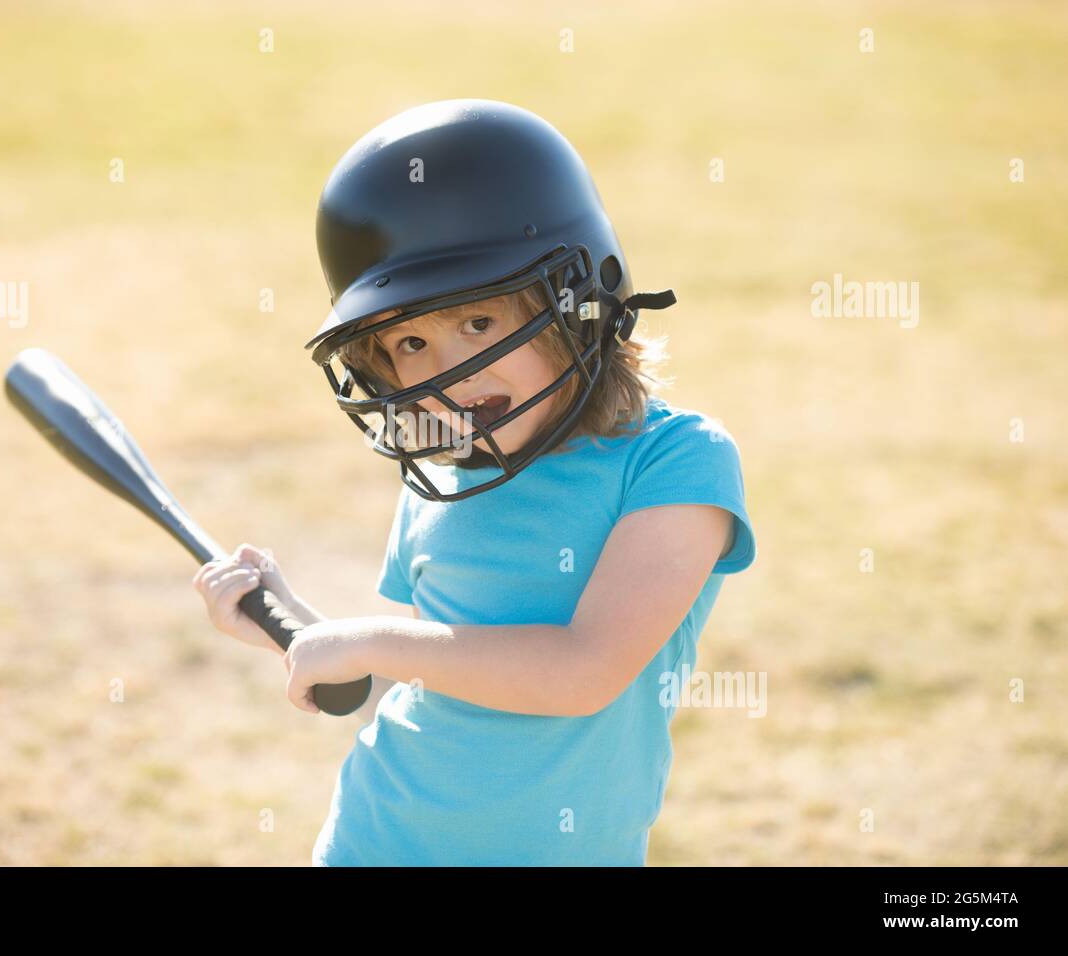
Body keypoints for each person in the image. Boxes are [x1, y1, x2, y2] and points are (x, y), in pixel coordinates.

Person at [194, 99, 757, 865]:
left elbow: (582, 673)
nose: (445, 372)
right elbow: (426, 672)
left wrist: (367, 639)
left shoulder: (674, 461)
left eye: (480, 325)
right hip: (374, 842)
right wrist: (298, 626)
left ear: (577, 304)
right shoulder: (440, 473)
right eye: (412, 341)